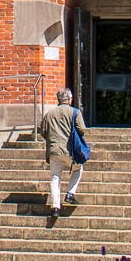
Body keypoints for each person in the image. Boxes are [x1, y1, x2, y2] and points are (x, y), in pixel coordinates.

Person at [37, 88, 86, 218]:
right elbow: (82, 129)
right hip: (69, 150)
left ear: (58, 99)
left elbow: (43, 131)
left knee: (55, 177)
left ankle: (55, 208)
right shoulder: (75, 112)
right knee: (78, 168)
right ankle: (70, 193)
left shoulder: (49, 114)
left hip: (53, 150)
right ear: (69, 99)